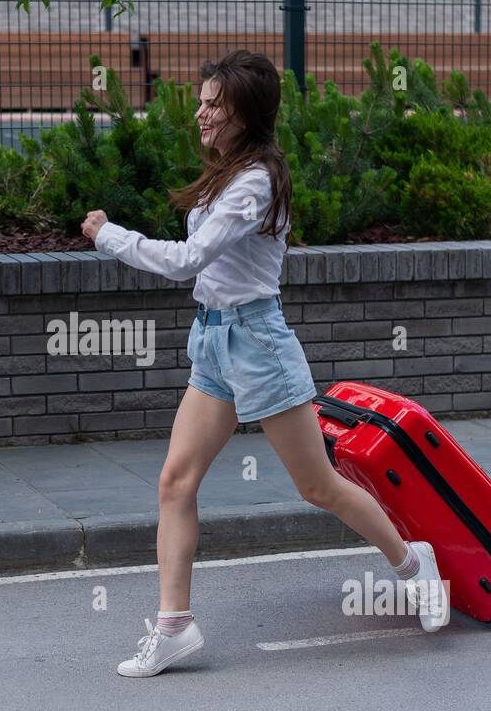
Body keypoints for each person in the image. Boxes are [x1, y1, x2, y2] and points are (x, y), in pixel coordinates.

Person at [80, 50, 448, 679]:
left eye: (215, 104)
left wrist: (109, 234)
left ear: (246, 113)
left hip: (258, 344)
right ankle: (175, 626)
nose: (201, 112)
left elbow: (187, 259)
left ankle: (415, 564)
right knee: (175, 482)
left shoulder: (253, 183)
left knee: (318, 487)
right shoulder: (228, 174)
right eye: (201, 100)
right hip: (213, 342)